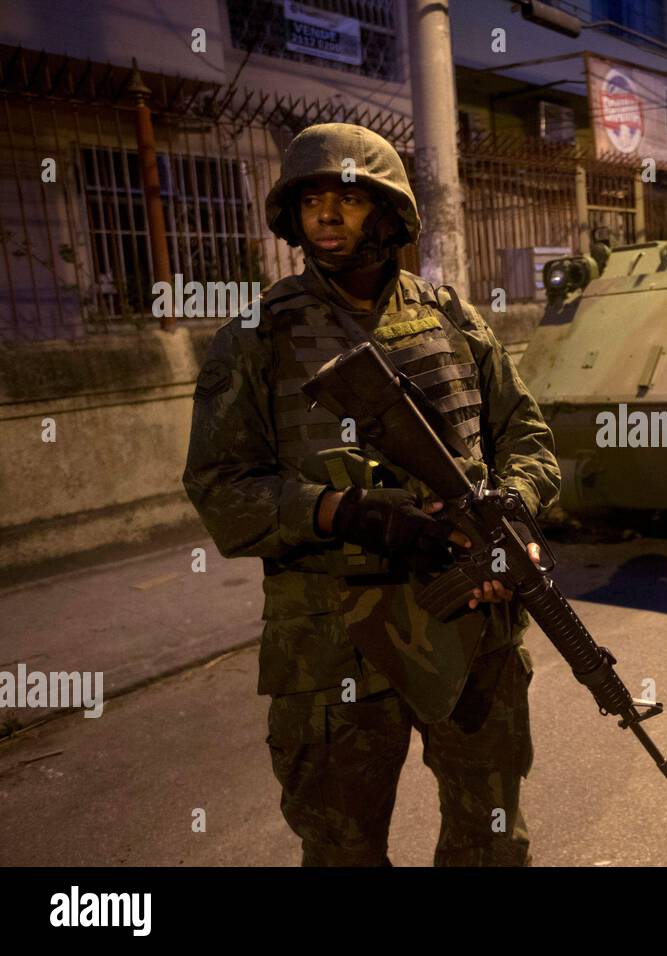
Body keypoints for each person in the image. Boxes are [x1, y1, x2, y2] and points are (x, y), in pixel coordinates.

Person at [183, 123, 561, 866]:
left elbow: (527, 434)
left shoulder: (453, 319)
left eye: (347, 199)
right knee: (341, 850)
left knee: (490, 841)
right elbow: (221, 489)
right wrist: (344, 513)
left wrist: (510, 514)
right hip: (330, 646)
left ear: (387, 214)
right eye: (312, 200)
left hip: (469, 624)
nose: (326, 215)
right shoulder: (256, 339)